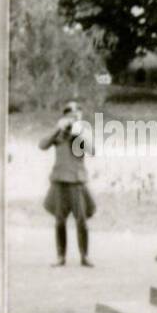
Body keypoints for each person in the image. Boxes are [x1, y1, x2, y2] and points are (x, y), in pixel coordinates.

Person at [39, 100, 96, 267]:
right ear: (64, 117)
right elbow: (42, 145)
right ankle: (60, 256)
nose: (72, 120)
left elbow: (93, 150)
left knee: (81, 220)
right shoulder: (58, 134)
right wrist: (58, 128)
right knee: (59, 220)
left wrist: (78, 133)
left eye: (75, 116)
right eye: (69, 116)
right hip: (59, 182)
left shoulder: (82, 134)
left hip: (76, 182)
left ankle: (84, 256)